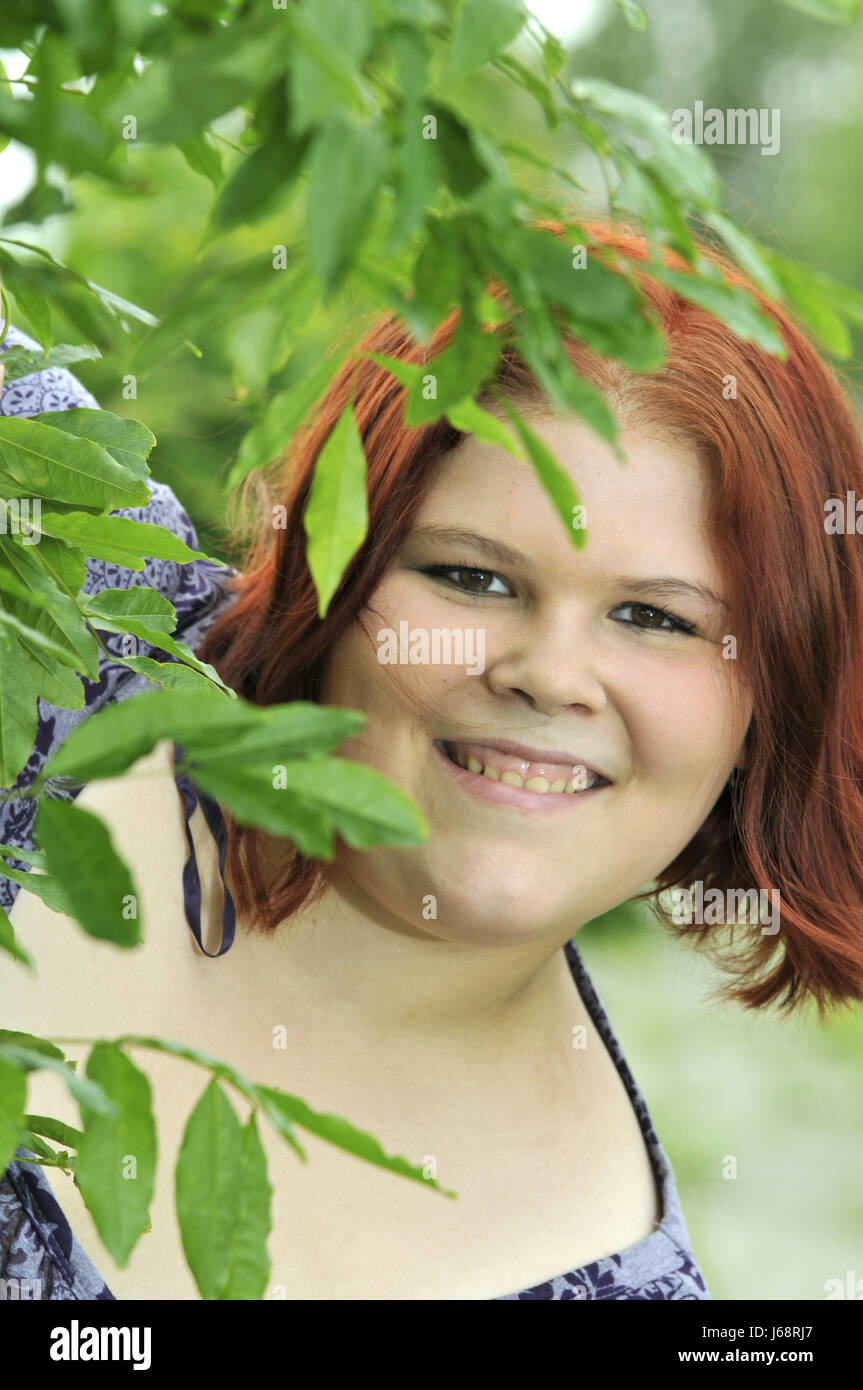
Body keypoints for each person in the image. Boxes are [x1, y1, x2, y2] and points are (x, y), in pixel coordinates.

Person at [3, 220, 862, 1300]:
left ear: (767, 701)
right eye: (473, 578)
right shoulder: (47, 576)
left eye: (652, 616)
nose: (548, 676)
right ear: (338, 570)